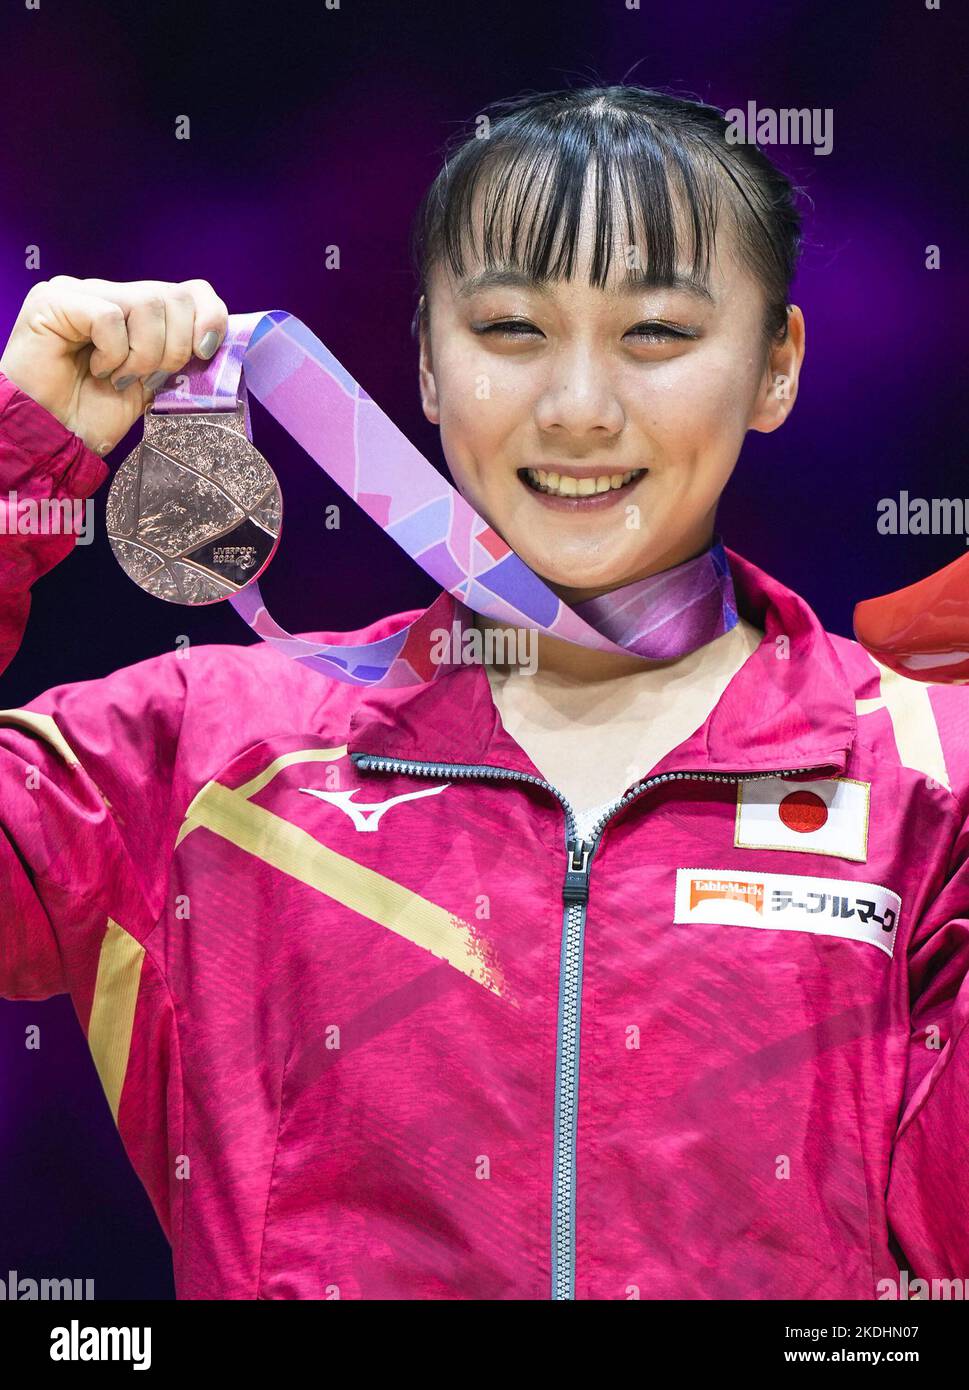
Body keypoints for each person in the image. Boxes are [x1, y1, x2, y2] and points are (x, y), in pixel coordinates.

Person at [0, 83, 966, 1302]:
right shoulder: (209, 752)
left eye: (657, 334)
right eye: (511, 329)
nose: (577, 408)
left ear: (776, 367)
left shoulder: (928, 778)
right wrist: (18, 450)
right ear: (424, 362)